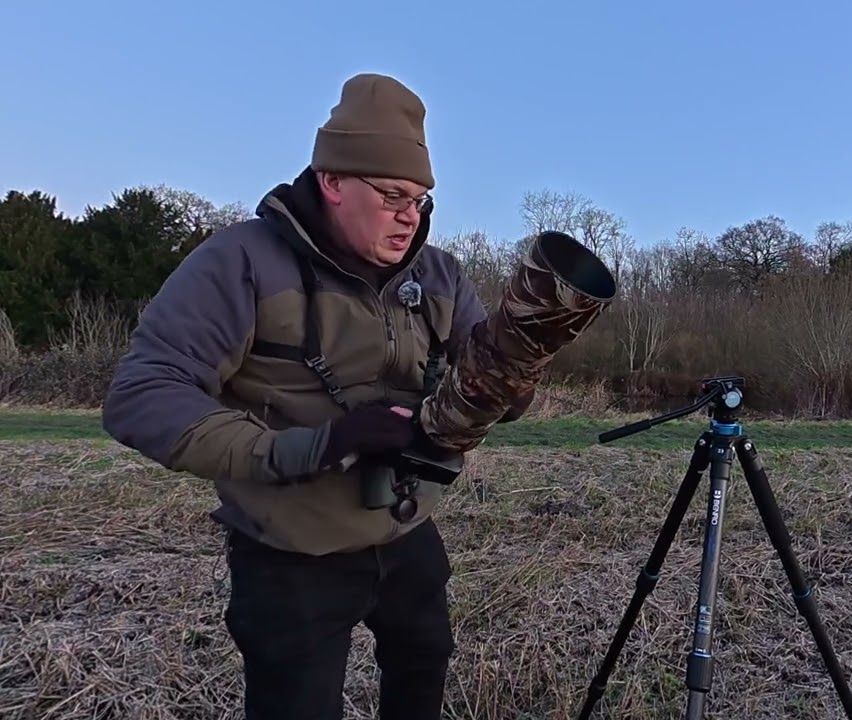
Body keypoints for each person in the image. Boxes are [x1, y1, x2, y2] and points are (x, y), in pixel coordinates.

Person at [101, 72, 531, 719]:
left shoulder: (439, 274)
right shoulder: (241, 264)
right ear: (332, 182)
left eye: (419, 200)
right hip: (289, 552)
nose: (409, 216)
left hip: (407, 528)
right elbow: (140, 396)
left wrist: (518, 362)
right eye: (390, 195)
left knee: (423, 671)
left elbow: (496, 388)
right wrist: (320, 445)